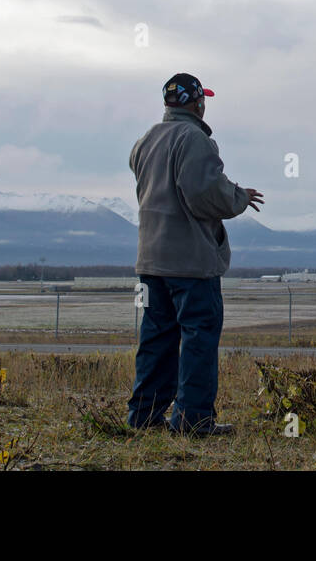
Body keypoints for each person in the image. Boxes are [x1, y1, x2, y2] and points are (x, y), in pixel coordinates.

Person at [126, 72, 263, 435]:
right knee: (199, 338)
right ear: (197, 102)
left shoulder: (145, 141)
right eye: (204, 100)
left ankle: (144, 415)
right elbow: (203, 194)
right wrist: (238, 197)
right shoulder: (194, 139)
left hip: (152, 260)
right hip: (190, 263)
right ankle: (192, 420)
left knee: (156, 338)